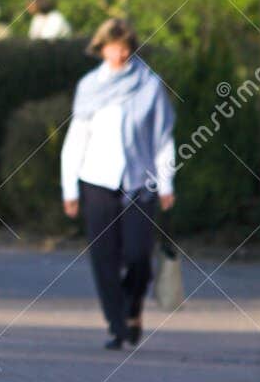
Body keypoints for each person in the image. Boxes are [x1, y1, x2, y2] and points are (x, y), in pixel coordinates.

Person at [60, 18, 176, 350]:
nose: (119, 54)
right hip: (97, 179)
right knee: (104, 258)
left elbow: (163, 138)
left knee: (139, 255)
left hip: (141, 181)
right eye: (112, 47)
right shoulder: (89, 86)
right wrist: (69, 188)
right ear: (101, 47)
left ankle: (133, 306)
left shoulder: (150, 84)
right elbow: (76, 138)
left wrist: (166, 182)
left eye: (125, 47)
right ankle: (117, 324)